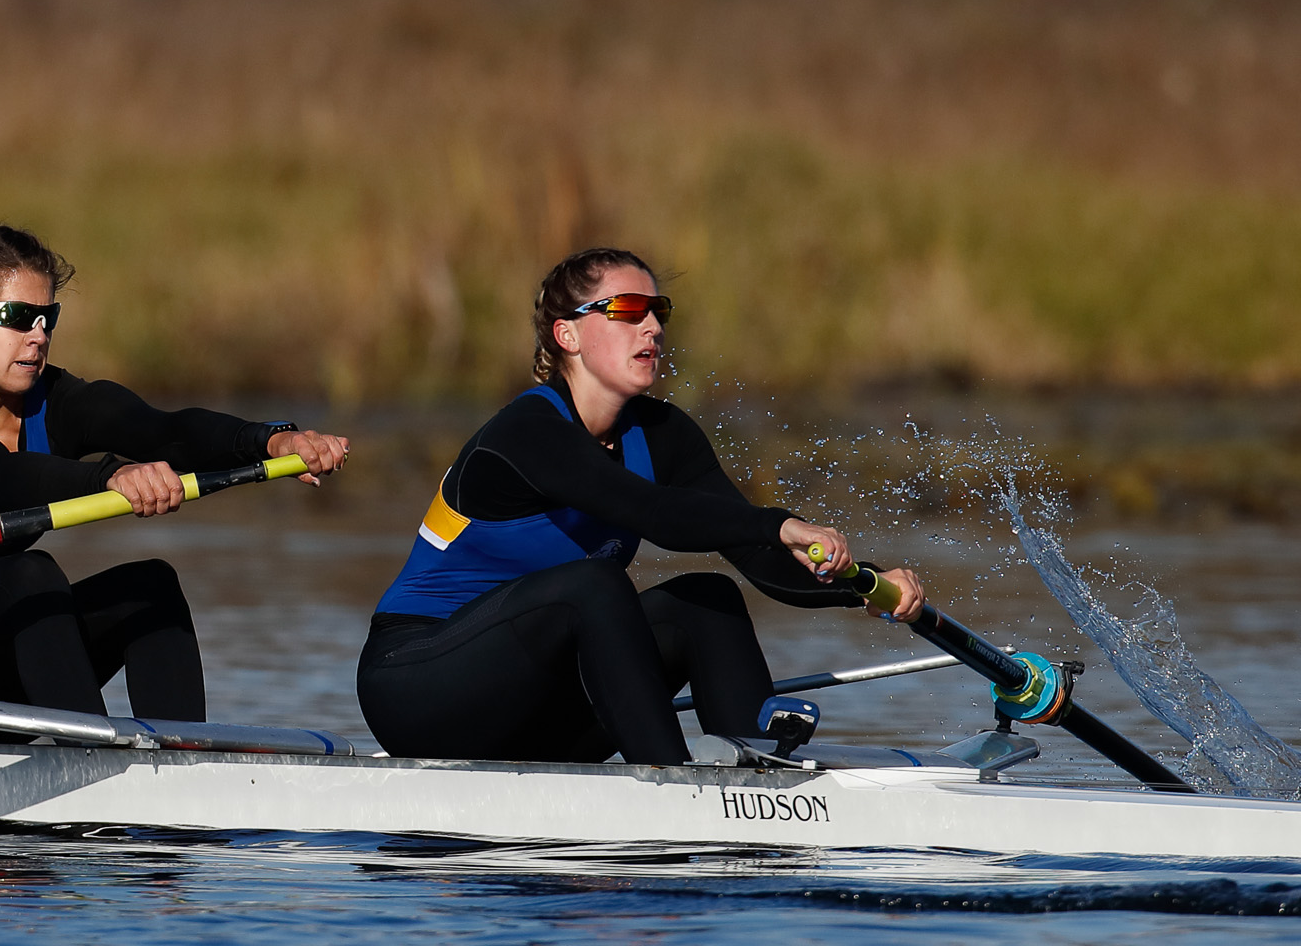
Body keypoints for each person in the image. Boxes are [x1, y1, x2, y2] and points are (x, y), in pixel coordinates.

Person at [357, 247, 924, 766]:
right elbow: (653, 514)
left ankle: (758, 779)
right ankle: (669, 780)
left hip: (536, 705)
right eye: (628, 309)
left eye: (659, 311)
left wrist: (865, 581)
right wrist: (781, 522)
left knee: (707, 598)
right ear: (568, 335)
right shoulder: (525, 432)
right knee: (593, 584)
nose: (652, 326)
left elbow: (760, 558)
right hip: (418, 687)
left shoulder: (664, 435)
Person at [0, 223, 348, 740]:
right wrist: (109, 476)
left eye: (49, 318)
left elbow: (163, 430)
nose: (39, 337)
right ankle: (89, 761)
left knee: (149, 587)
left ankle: (184, 769)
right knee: (29, 576)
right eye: (19, 317)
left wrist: (273, 440)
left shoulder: (54, 400)